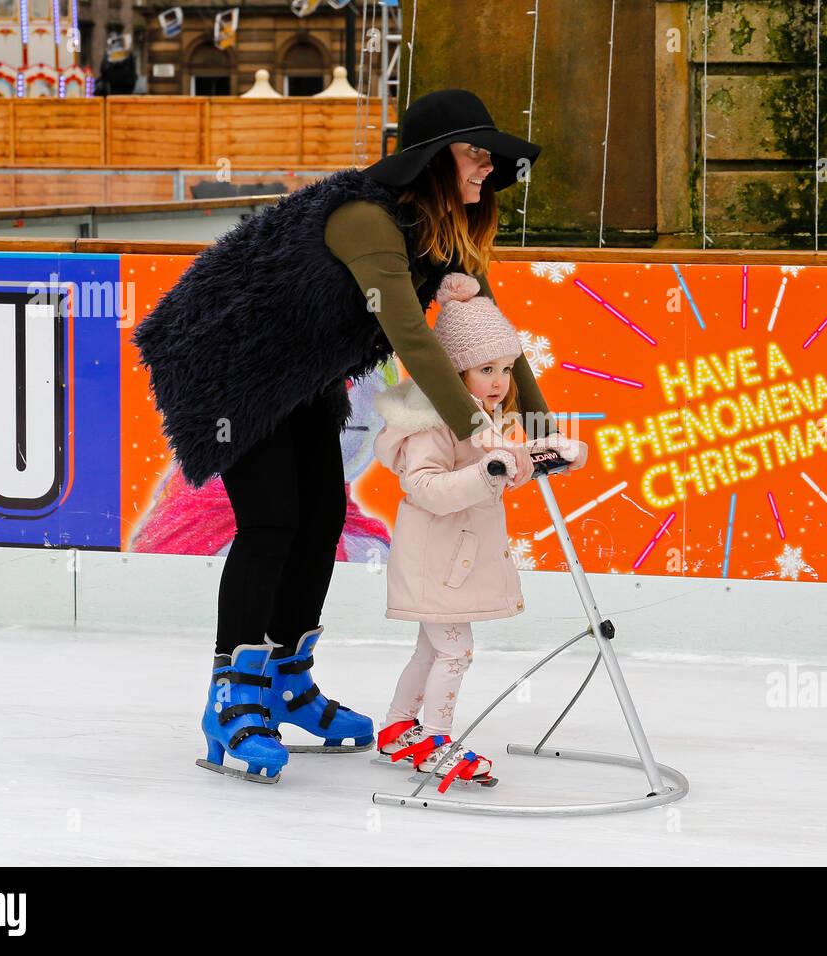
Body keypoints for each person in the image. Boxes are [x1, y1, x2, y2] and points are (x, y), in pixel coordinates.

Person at [132, 89, 559, 783]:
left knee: (322, 516)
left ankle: (286, 682)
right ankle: (231, 700)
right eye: (475, 152)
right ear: (432, 159)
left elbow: (492, 330)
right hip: (225, 358)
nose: (488, 167)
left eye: (492, 156)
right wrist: (483, 433)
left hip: (299, 370)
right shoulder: (365, 219)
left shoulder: (441, 234)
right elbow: (413, 337)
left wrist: (538, 429)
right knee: (272, 521)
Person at [371, 274, 588, 790]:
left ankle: (400, 727)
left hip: (452, 561)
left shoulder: (483, 419)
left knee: (430, 651)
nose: (499, 381)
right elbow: (426, 487)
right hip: (432, 562)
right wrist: (490, 471)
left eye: (507, 369)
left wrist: (542, 457)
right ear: (452, 371)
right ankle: (438, 741)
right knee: (454, 652)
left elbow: (496, 471)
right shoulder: (433, 422)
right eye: (486, 369)